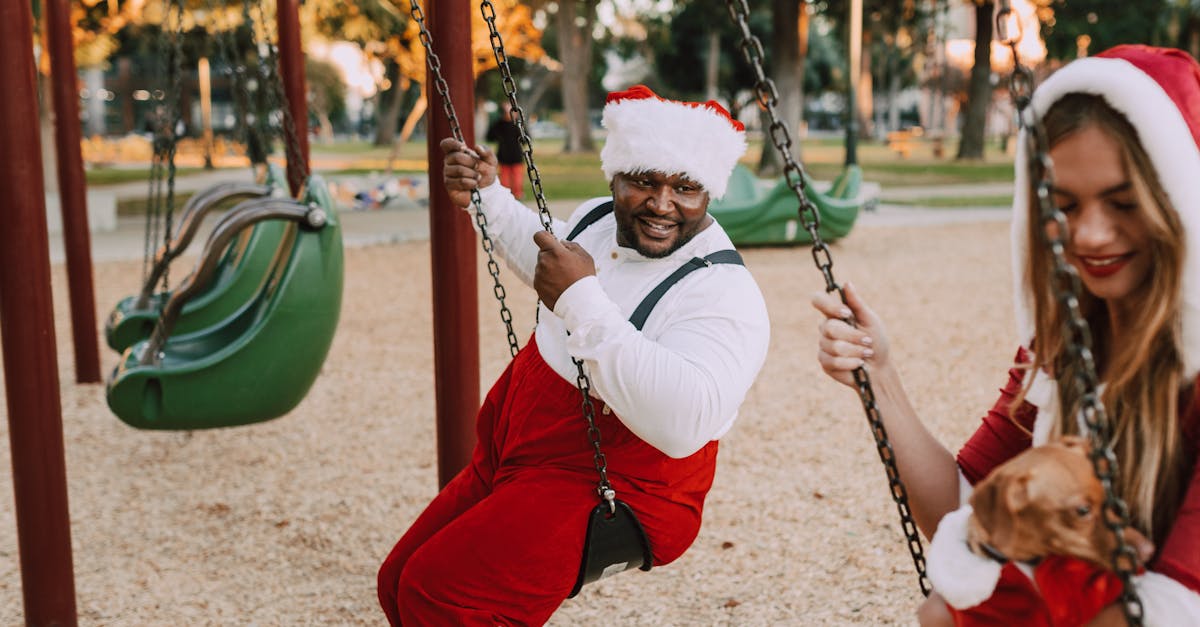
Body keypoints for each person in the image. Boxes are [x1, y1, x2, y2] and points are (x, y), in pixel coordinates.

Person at [813, 45, 1200, 625]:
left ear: (1178, 199)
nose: (1091, 235)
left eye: (1124, 203)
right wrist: (880, 379)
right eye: (1064, 205)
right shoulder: (1063, 344)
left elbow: (1175, 605)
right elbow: (968, 503)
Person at [377, 85, 770, 625]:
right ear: (616, 176)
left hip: (618, 479)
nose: (662, 203)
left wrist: (581, 299)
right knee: (398, 581)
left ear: (709, 190)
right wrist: (488, 197)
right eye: (643, 182)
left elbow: (684, 423)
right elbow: (547, 258)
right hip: (520, 441)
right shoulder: (599, 219)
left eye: (685, 187)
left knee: (441, 594)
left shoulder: (722, 293)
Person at [486, 101, 525, 199]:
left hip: (516, 155)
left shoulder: (518, 125)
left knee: (517, 178)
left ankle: (517, 194)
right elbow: (489, 136)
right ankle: (506, 196)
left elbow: (526, 139)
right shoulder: (499, 124)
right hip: (504, 155)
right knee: (504, 179)